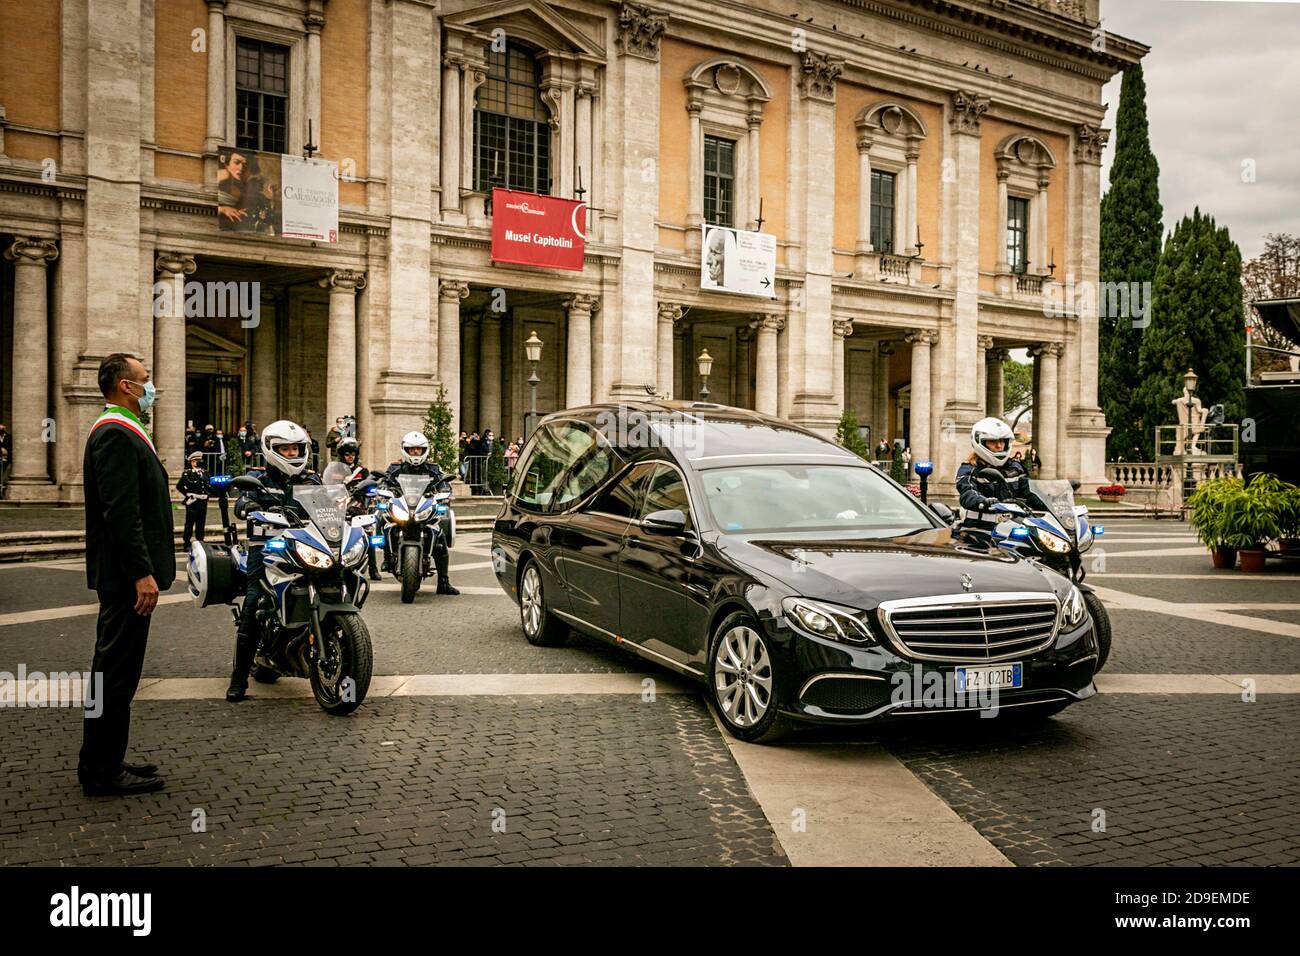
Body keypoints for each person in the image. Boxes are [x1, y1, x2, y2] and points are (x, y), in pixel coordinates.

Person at [79, 353, 173, 796]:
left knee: (119, 671)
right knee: (113, 673)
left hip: (124, 575)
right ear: (125, 387)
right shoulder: (115, 434)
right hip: (125, 579)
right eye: (145, 379)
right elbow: (122, 513)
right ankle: (99, 770)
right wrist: (141, 573)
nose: (151, 386)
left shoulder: (122, 430)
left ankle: (107, 758)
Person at [226, 420, 322, 702]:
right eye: (286, 449)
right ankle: (239, 679)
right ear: (271, 450)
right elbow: (241, 503)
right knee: (256, 602)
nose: (292, 454)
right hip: (266, 547)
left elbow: (327, 505)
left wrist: (344, 507)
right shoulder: (259, 479)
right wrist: (250, 506)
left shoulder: (311, 480)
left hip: (303, 546)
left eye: (296, 449)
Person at [384, 431, 459, 595]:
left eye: (419, 449)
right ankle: (386, 557)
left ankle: (443, 581)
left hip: (423, 507)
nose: (416, 452)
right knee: (384, 523)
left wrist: (445, 491)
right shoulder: (395, 468)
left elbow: (443, 482)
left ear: (424, 450)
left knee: (439, 536)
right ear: (406, 450)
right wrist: (383, 488)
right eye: (412, 450)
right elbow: (385, 480)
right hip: (403, 506)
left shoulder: (433, 469)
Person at [955, 417, 1043, 524]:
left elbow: (1029, 492)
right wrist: (983, 501)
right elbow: (967, 493)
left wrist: (1048, 502)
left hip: (1012, 525)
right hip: (980, 527)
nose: (999, 446)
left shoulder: (1015, 468)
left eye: (1002, 441)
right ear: (980, 442)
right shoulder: (970, 470)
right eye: (993, 441)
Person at [176, 450, 210, 553]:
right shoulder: (187, 473)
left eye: (199, 460)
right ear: (191, 462)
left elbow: (208, 486)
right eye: (195, 461)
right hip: (193, 502)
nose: (197, 462)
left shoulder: (205, 472)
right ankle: (186, 543)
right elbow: (179, 486)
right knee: (189, 523)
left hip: (203, 502)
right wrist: (188, 494)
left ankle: (200, 541)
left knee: (201, 523)